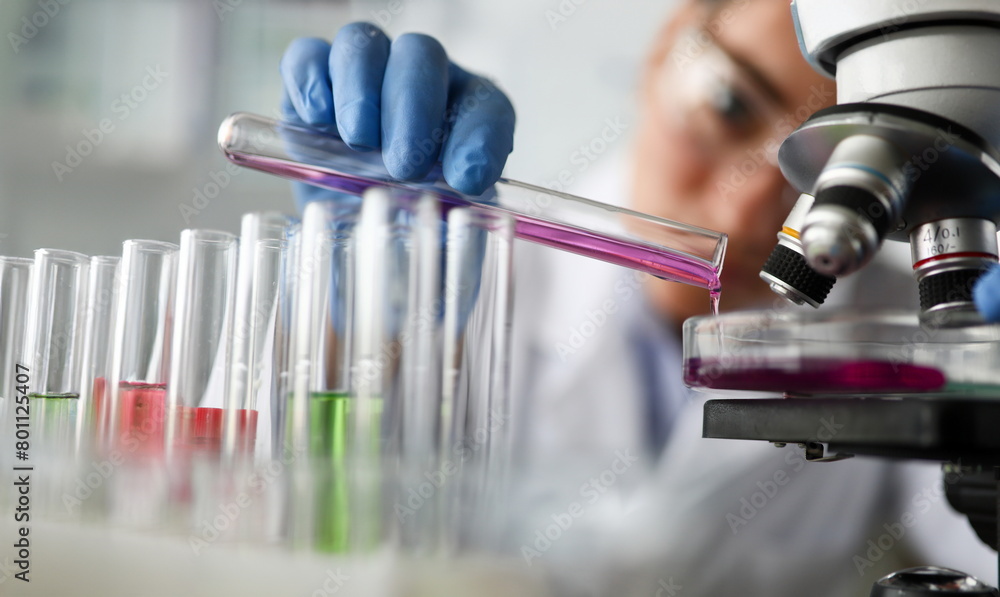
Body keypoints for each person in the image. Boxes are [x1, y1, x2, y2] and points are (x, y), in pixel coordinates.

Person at [279, 1, 1000, 594]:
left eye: (821, 174)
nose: (745, 208)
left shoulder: (911, 331)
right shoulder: (472, 265)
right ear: (665, 50)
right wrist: (361, 317)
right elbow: (285, 522)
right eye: (730, 105)